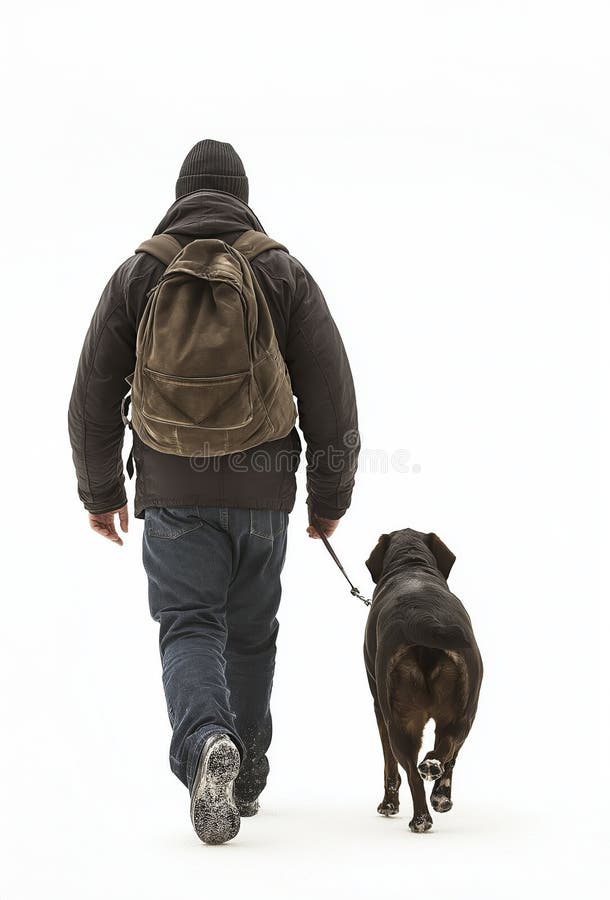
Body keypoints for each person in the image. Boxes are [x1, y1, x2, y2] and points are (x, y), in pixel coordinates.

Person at [68, 139, 359, 844]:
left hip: (171, 490)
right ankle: (248, 768)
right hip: (263, 492)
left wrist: (101, 490)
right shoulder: (279, 269)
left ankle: (206, 744)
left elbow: (91, 397)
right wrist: (329, 497)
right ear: (242, 193)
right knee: (251, 633)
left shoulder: (140, 272)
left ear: (181, 192)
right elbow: (331, 393)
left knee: (191, 627)